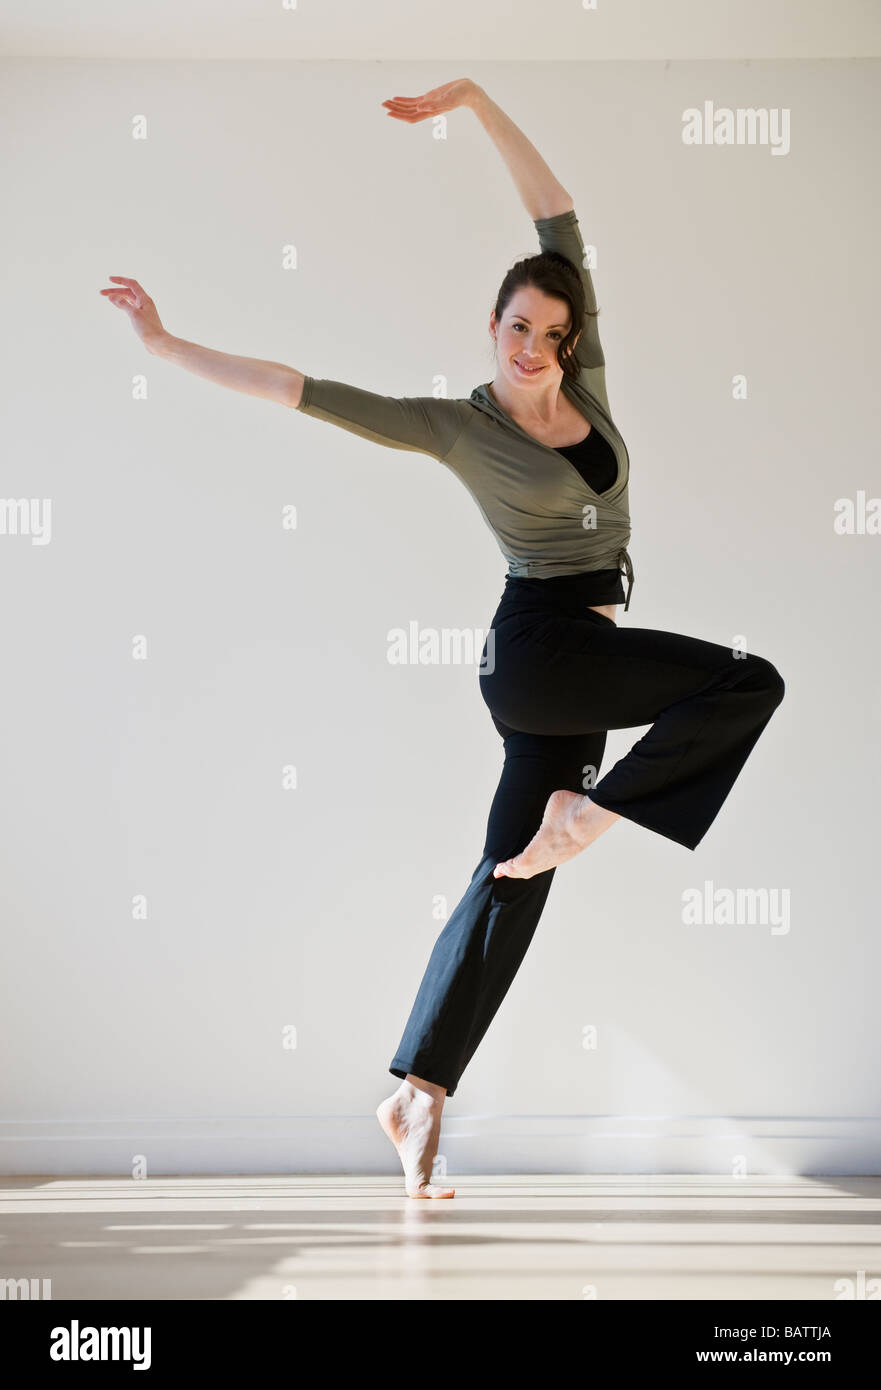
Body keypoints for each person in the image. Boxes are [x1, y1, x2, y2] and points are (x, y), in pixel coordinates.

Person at [101, 79, 786, 1201]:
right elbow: (298, 390)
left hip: (562, 676)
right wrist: (168, 344)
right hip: (538, 651)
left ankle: (416, 1092)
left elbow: (556, 210)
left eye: (553, 334)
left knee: (510, 877)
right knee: (744, 681)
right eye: (519, 328)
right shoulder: (455, 427)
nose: (536, 349)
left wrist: (472, 100)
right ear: (491, 325)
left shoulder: (586, 376)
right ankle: (594, 810)